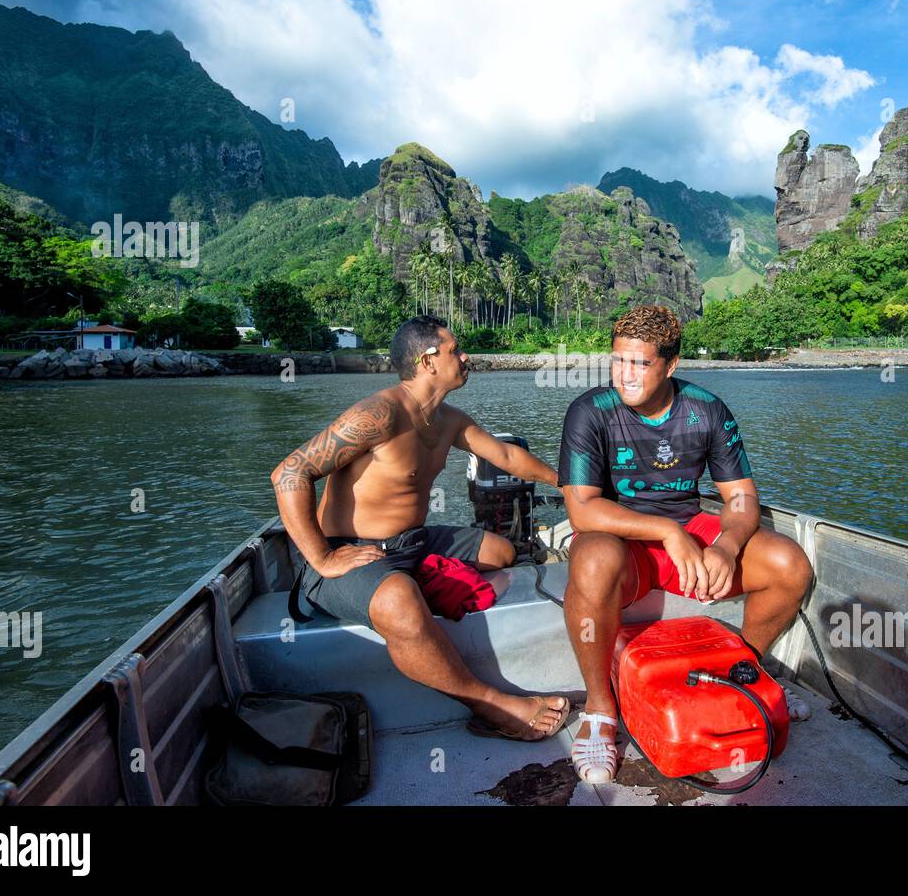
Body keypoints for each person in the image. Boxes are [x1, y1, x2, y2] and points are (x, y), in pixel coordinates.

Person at [271, 314, 571, 741]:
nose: (465, 357)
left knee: (501, 552)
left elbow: (505, 457)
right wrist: (322, 557)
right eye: (455, 350)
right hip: (348, 549)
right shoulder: (378, 414)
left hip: (408, 541)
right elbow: (289, 473)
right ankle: (492, 704)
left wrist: (570, 485)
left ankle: (409, 577)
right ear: (428, 360)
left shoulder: (448, 419)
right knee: (398, 600)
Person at [557, 305, 813, 783]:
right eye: (617, 361)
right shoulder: (590, 412)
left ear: (670, 365)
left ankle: (744, 671)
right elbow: (583, 510)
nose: (624, 375)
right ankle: (599, 709)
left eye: (640, 364)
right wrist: (667, 533)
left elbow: (740, 497)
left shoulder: (707, 409)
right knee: (591, 557)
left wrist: (727, 545)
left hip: (691, 531)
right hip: (623, 542)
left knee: (788, 563)